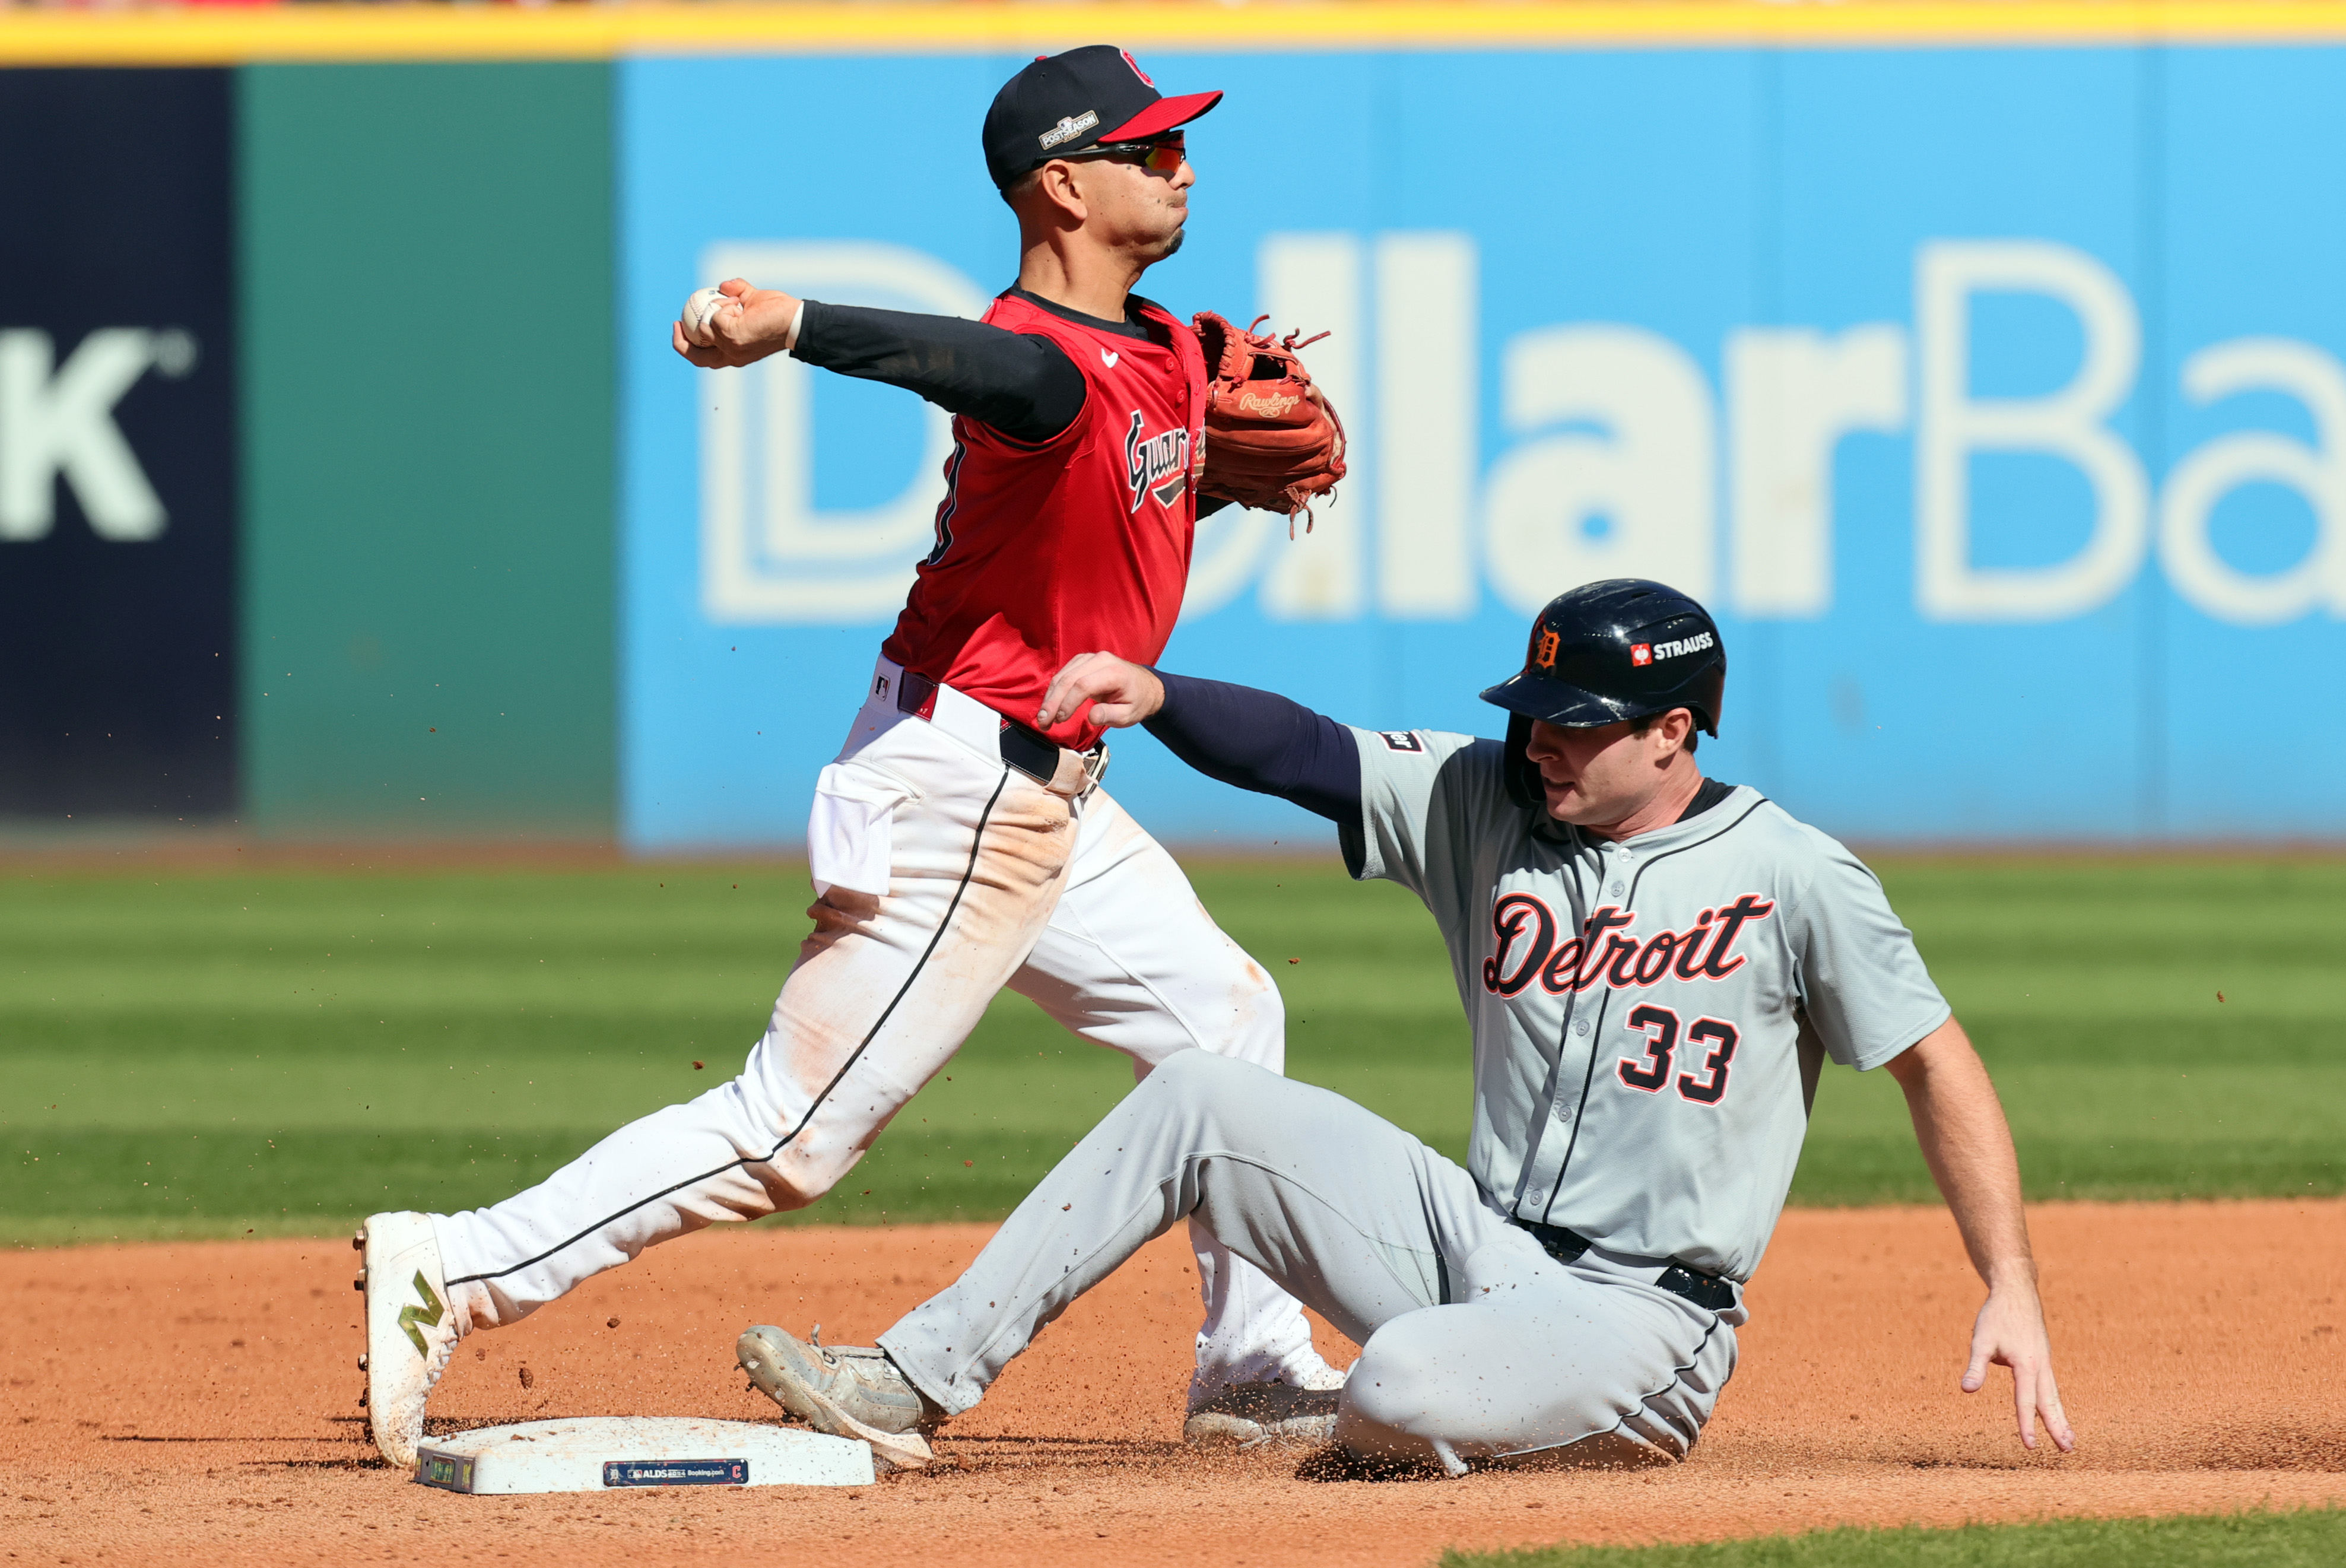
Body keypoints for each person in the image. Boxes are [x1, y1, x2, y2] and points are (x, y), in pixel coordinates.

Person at [354, 45, 1343, 1472]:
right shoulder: (1042, 366)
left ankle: (1252, 1360)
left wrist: (1203, 460)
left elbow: (1133, 467)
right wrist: (795, 321)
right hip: (964, 797)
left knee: (1229, 1021)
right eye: (1152, 150)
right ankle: (460, 1264)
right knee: (792, 1134)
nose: (1182, 166)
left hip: (1047, 787)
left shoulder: (1162, 353)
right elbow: (970, 359)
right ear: (1062, 186)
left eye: (1182, 146)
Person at [734, 577, 2076, 1474]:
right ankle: (912, 1379)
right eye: (1533, 713)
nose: (1540, 742)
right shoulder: (1489, 800)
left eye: (1577, 725)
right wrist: (1159, 694)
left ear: (1675, 731)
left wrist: (2009, 1282)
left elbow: (1931, 1061)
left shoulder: (1798, 876)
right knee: (1203, 1094)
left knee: (1401, 1385)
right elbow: (1311, 751)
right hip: (1468, 1237)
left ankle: (1436, 1409)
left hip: (1643, 1320)